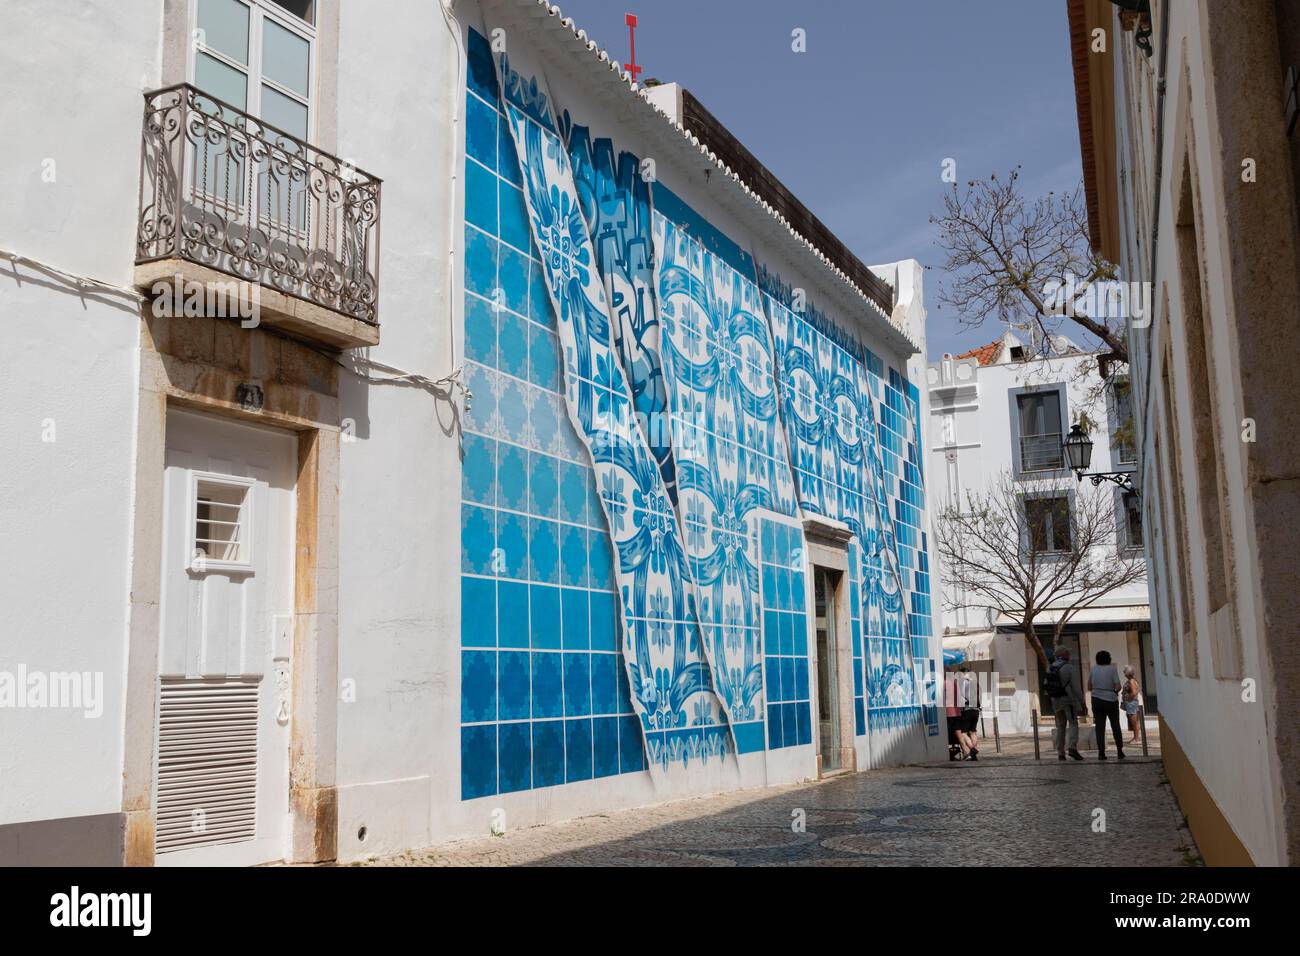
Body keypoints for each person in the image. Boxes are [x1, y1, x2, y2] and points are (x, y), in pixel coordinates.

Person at [1045, 647, 1086, 760]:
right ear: (1063, 654)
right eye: (1067, 652)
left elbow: (1046, 685)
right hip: (1069, 700)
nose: (1069, 654)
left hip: (1056, 701)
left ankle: (1060, 752)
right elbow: (1076, 688)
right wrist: (1082, 703)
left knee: (1060, 726)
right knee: (1073, 723)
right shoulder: (1069, 667)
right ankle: (1072, 748)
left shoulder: (1050, 667)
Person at [1088, 650, 1125, 759]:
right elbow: (1118, 686)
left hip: (1096, 700)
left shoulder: (1093, 669)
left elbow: (1089, 686)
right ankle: (1119, 751)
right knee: (1115, 725)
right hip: (1111, 700)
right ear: (1109, 659)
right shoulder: (1112, 669)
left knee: (1099, 727)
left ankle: (1101, 753)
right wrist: (1113, 692)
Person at [955, 664, 981, 760]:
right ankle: (974, 754)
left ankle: (972, 749)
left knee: (963, 733)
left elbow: (961, 697)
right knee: (973, 732)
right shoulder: (975, 682)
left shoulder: (962, 683)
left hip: (967, 710)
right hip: (976, 709)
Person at [1121, 665, 1143, 744]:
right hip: (1130, 703)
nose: (1123, 673)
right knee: (1132, 721)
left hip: (1131, 703)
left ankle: (1136, 739)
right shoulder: (1131, 680)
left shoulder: (1131, 681)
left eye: (1124, 671)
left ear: (1127, 673)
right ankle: (1135, 738)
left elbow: (1134, 693)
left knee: (1134, 722)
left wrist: (1128, 698)